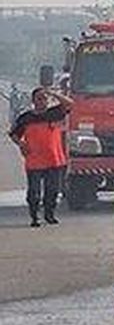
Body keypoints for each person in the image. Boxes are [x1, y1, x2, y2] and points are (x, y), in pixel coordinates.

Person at [8, 86, 73, 227]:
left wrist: (52, 93)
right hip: (34, 161)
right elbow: (13, 134)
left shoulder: (55, 113)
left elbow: (69, 104)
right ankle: (34, 216)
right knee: (34, 192)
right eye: (38, 98)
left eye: (44, 98)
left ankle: (49, 215)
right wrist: (21, 144)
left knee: (52, 191)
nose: (41, 101)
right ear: (33, 100)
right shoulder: (26, 118)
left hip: (54, 160)